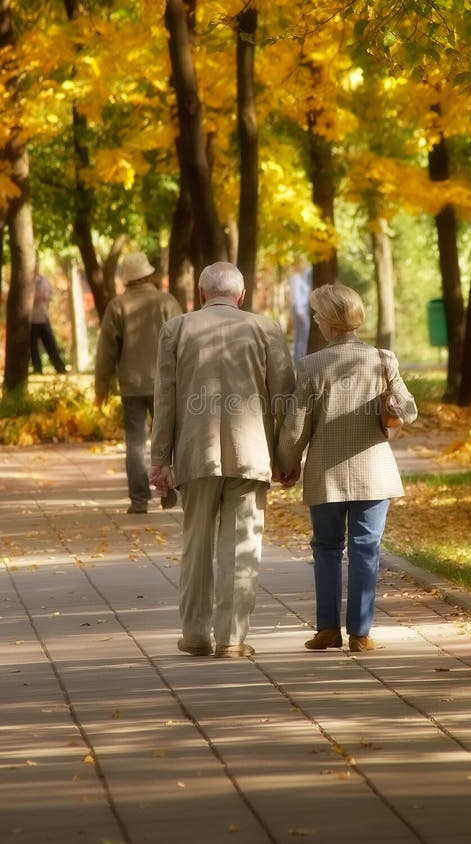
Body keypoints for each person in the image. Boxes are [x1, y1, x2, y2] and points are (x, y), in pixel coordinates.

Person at [150, 262, 295, 659]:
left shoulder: (176, 329)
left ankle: (195, 634)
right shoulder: (265, 329)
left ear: (200, 294)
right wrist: (286, 457)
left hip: (195, 453)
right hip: (251, 453)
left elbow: (164, 399)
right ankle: (231, 638)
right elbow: (285, 398)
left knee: (196, 543)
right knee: (242, 544)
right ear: (241, 296)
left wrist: (160, 459)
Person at [276, 283, 417, 653]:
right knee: (366, 548)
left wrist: (286, 464)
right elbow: (409, 411)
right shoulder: (384, 360)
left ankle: (327, 629)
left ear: (331, 321)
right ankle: (360, 634)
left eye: (318, 315)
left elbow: (296, 424)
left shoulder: (310, 365)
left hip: (326, 472)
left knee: (325, 547)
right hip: (374, 471)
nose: (317, 322)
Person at [95, 252, 182, 514]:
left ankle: (139, 500)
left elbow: (106, 351)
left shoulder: (117, 306)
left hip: (131, 385)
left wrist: (101, 388)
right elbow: (183, 341)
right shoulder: (166, 302)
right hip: (165, 383)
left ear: (127, 279)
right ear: (149, 274)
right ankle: (170, 488)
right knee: (171, 438)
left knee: (135, 442)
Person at [30, 267, 67, 374]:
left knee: (51, 344)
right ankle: (37, 368)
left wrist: (44, 297)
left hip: (44, 317)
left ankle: (60, 367)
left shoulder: (45, 280)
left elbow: (52, 295)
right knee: (33, 347)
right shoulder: (28, 281)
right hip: (32, 319)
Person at [289, 259, 312, 364]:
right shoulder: (296, 278)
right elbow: (296, 297)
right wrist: (300, 312)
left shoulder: (303, 277)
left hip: (302, 310)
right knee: (302, 337)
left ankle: (300, 360)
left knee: (302, 337)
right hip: (300, 310)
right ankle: (299, 361)